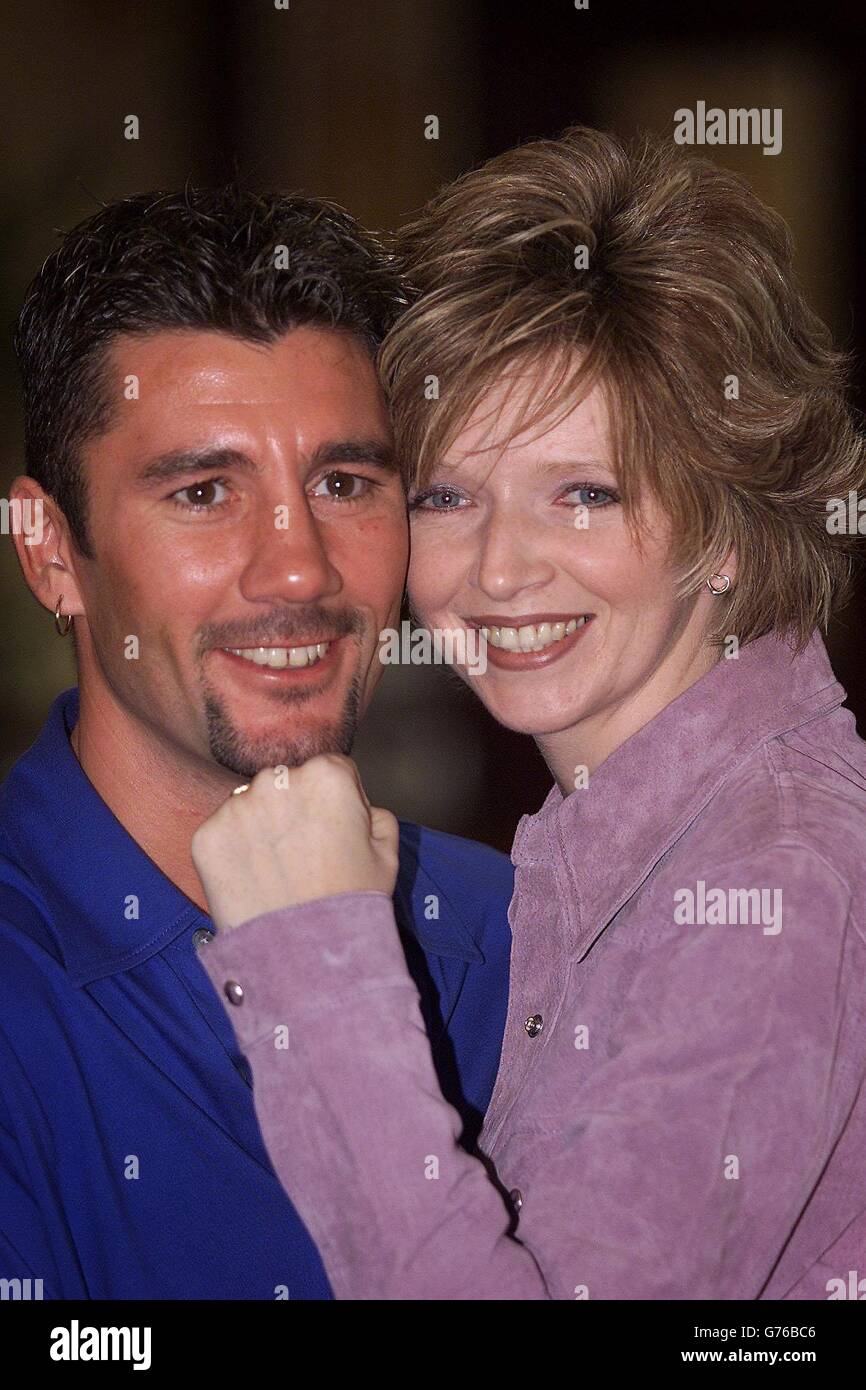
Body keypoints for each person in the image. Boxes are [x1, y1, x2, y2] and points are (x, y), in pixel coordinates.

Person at [192, 128, 866, 1300]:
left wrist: (314, 950)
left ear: (721, 525)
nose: (499, 571)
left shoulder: (771, 881)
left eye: (583, 494)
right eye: (448, 496)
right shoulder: (643, 827)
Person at [0, 187, 513, 1300]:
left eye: (342, 483)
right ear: (48, 551)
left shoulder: (526, 939)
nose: (299, 569)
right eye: (201, 491)